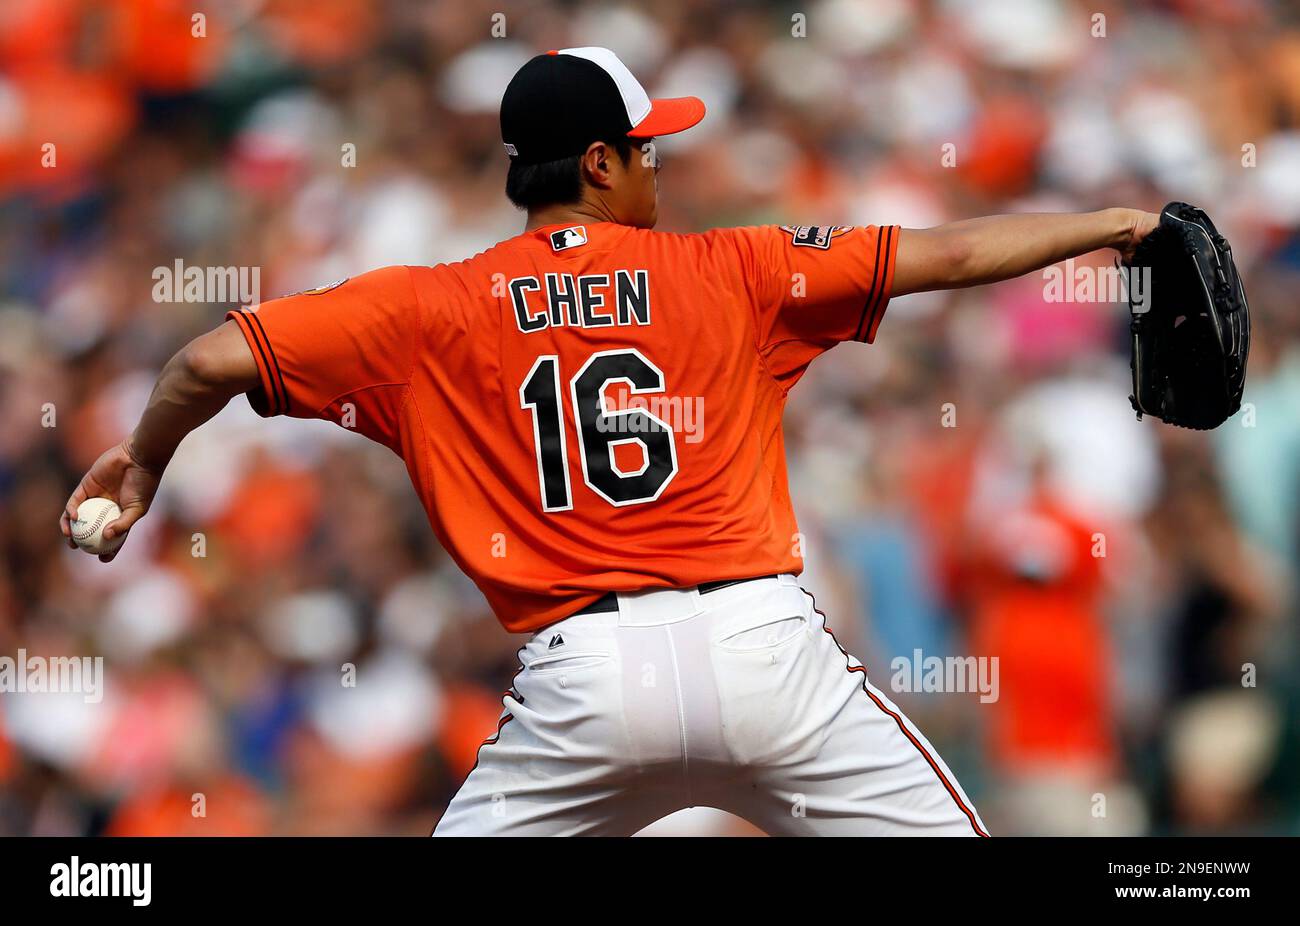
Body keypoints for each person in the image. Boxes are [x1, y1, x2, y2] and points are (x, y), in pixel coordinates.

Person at [62, 46, 1158, 835]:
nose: (657, 167)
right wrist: (1121, 226)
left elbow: (205, 361)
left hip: (582, 683)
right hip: (765, 652)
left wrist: (146, 461)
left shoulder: (428, 304)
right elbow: (956, 254)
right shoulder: (730, 266)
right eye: (644, 148)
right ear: (596, 163)